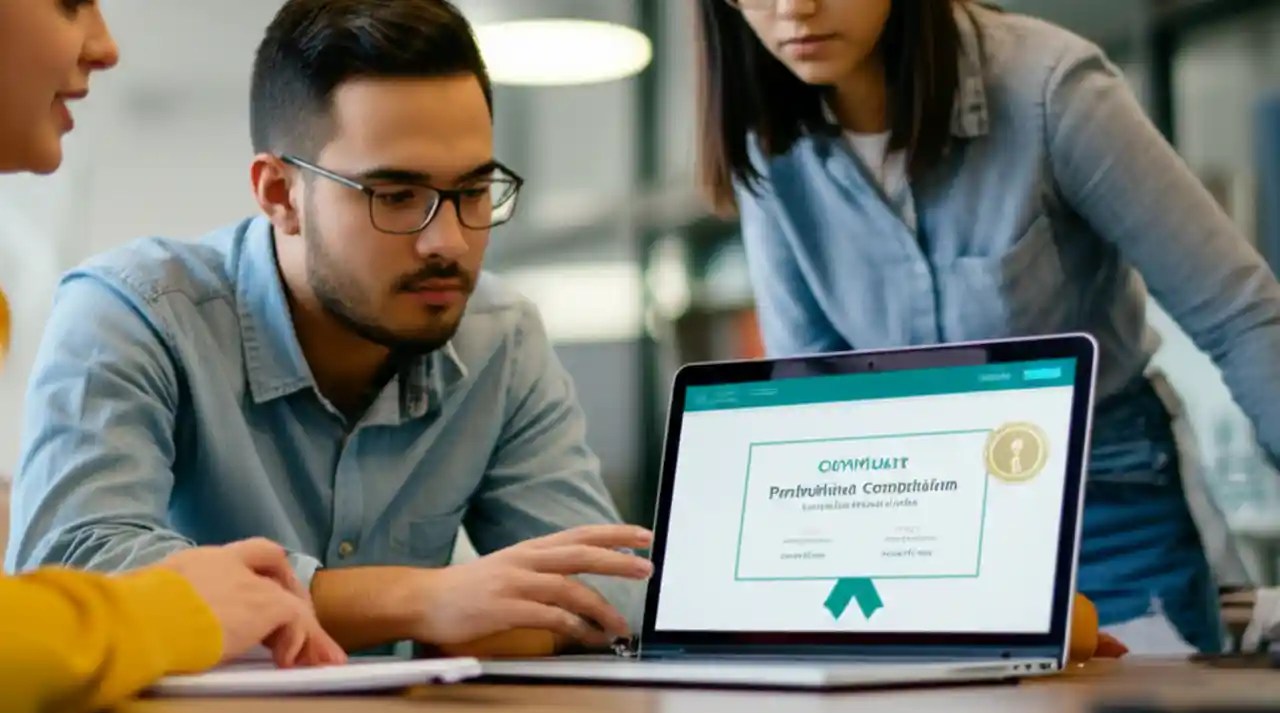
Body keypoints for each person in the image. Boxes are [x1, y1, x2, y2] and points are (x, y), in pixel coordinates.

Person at [8, 0, 652, 657]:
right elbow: (76, 568)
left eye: (473, 192)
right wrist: (422, 602)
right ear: (279, 194)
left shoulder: (500, 340)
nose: (449, 242)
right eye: (396, 197)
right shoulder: (135, 311)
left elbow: (609, 588)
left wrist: (462, 621)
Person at [695, 0, 1280, 654]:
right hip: (913, 530)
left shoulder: (1048, 89)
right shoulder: (770, 143)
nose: (794, 7)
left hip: (1103, 508)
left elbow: (1240, 316)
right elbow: (818, 402)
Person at [0, 4, 345, 713]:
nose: (106, 46)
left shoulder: (503, 328)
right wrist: (173, 611)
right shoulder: (128, 301)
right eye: (67, 1)